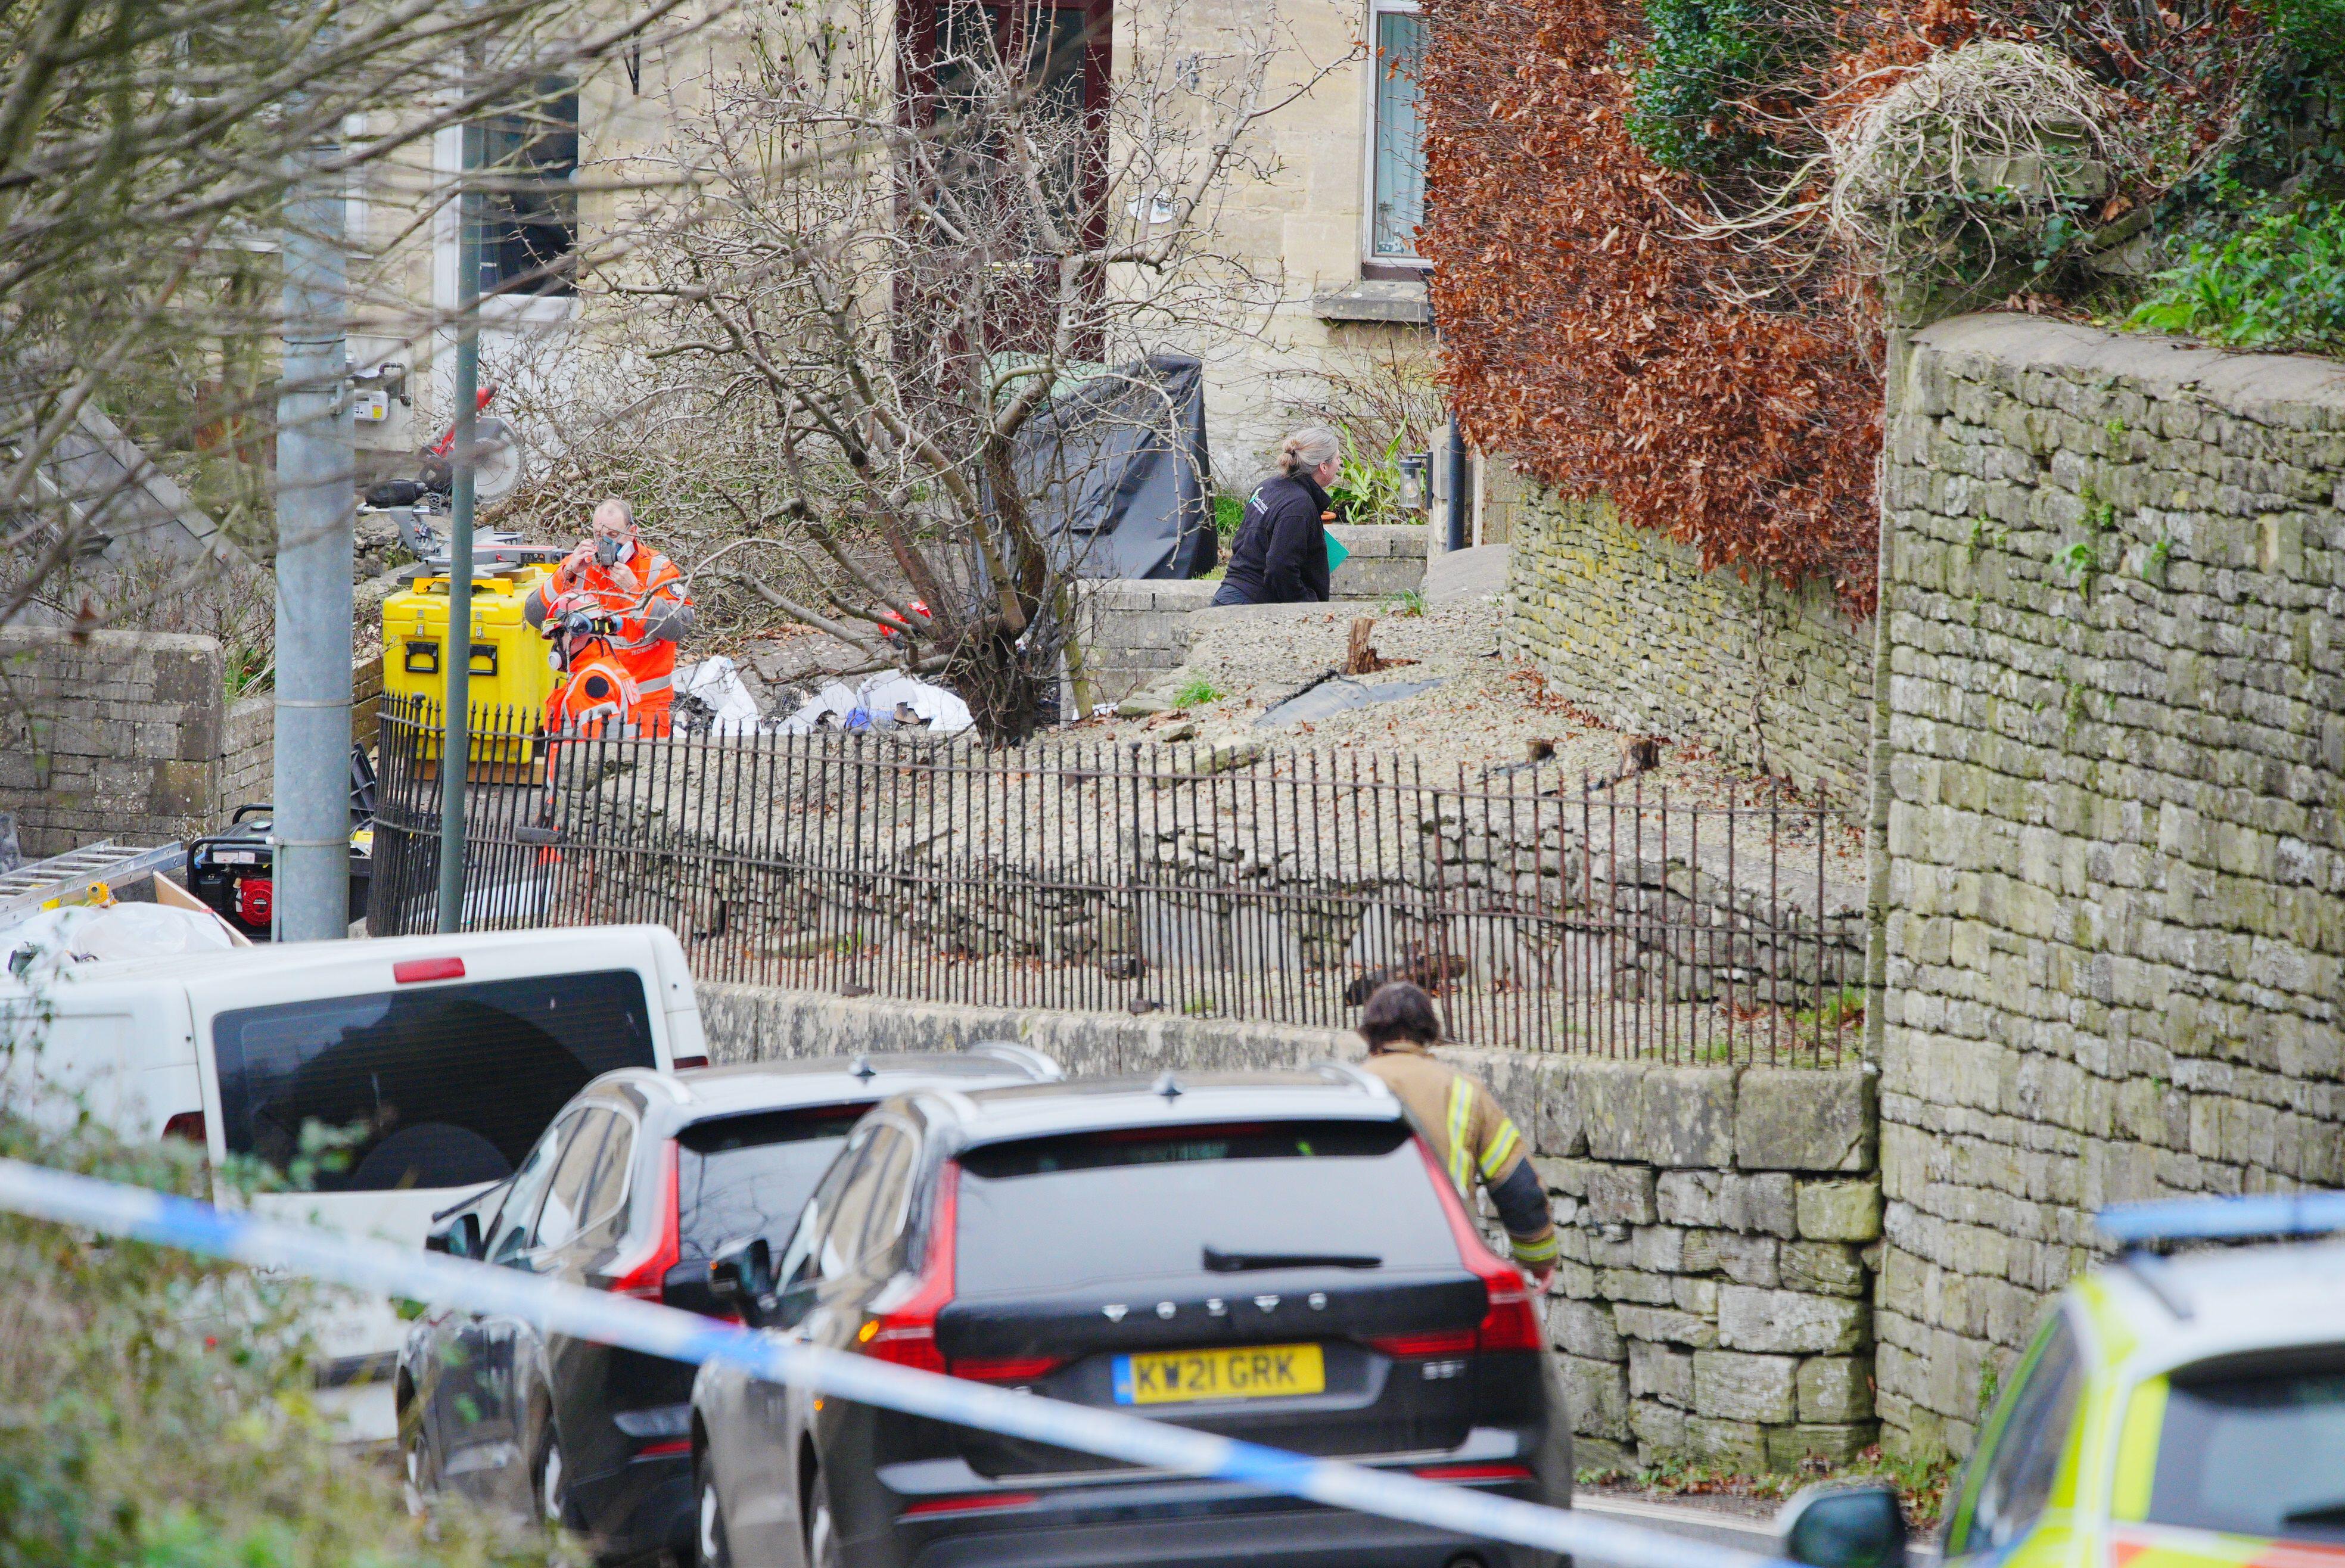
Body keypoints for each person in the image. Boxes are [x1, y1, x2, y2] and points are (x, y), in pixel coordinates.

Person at [1355, 981, 1557, 1286]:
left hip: (1360, 1264)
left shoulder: (1348, 1089)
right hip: (1446, 1262)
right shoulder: (1464, 1091)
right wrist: (1538, 1262)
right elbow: (1519, 1187)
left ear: (1369, 1034)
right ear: (1429, 1033)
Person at [525, 497, 695, 735]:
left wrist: (636, 592)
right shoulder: (581, 567)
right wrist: (568, 573)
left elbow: (680, 628)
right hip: (590, 698)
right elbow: (534, 616)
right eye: (598, 534)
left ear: (633, 532)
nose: (605, 542)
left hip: (643, 706)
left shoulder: (657, 569)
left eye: (614, 535)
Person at [1212, 427, 1341, 606]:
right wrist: (1307, 605)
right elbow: (1280, 568)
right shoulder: (1299, 506)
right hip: (1249, 606)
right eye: (1337, 458)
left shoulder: (1268, 486)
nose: (1340, 462)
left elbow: (1243, 542)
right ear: (1324, 466)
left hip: (1228, 595)